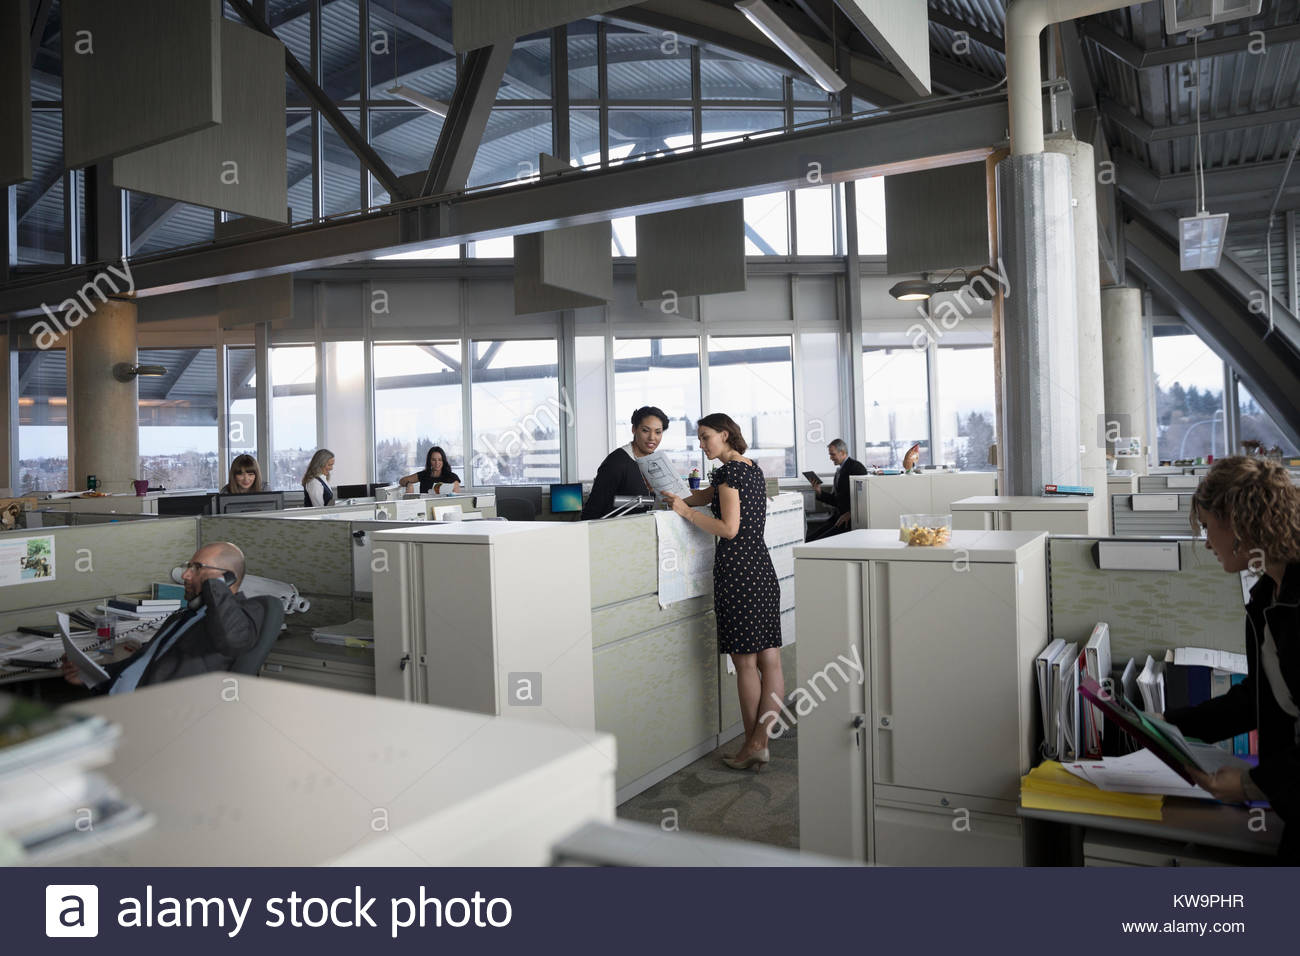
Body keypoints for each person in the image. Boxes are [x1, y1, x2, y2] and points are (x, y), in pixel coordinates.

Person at [1165, 456, 1300, 864]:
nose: (1207, 542)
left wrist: (1252, 784)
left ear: (1239, 525)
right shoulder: (1267, 597)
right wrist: (1169, 726)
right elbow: (1256, 699)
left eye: (1208, 526)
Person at [661, 413, 783, 771]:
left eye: (705, 437)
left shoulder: (730, 473)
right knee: (769, 658)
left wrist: (685, 513)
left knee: (745, 662)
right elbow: (704, 496)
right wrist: (677, 498)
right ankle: (758, 743)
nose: (701, 444)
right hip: (760, 567)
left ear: (725, 434)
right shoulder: (749, 468)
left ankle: (754, 744)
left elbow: (728, 529)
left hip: (738, 571)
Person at [61, 542, 266, 694]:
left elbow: (232, 640)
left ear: (225, 577)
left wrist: (215, 585)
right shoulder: (188, 614)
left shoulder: (248, 611)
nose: (185, 575)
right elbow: (143, 662)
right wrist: (92, 675)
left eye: (196, 568)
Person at [580, 406, 668, 520]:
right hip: (612, 531)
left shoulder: (656, 462)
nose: (652, 437)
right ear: (634, 429)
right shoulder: (616, 463)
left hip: (642, 529)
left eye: (658, 432)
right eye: (645, 430)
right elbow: (591, 511)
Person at [806, 438, 868, 541]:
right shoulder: (840, 471)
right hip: (838, 517)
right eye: (830, 454)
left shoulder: (857, 468)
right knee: (809, 539)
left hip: (848, 521)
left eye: (833, 454)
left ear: (842, 452)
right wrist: (819, 491)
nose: (831, 458)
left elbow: (864, 497)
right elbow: (837, 500)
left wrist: (851, 512)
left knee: (816, 542)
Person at [398, 446, 462, 494]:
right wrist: (409, 484)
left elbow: (456, 498)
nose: (437, 463)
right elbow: (402, 481)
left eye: (440, 460)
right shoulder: (424, 475)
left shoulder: (452, 477)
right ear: (429, 461)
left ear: (443, 461)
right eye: (434, 460)